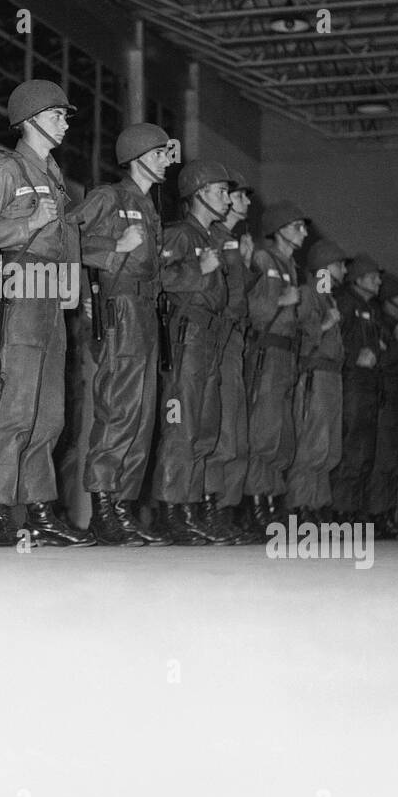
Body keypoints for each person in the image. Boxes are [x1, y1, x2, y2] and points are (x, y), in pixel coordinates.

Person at [0, 79, 93, 548]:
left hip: (50, 295)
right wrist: (27, 224)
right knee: (9, 403)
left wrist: (72, 285)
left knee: (49, 411)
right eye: (57, 114)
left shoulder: (54, 175)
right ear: (31, 119)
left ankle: (37, 504)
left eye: (66, 115)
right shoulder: (7, 170)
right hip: (17, 289)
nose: (64, 122)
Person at [73, 122, 174, 547]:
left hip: (146, 315)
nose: (165, 159)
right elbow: (66, 239)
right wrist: (116, 249)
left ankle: (123, 508)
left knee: (144, 414)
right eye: (157, 153)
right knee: (119, 409)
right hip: (120, 312)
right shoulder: (109, 198)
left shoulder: (150, 208)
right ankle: (102, 508)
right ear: (135, 158)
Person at [150, 158, 239, 545]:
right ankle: (172, 511)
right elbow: (160, 279)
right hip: (186, 338)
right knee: (180, 428)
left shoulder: (210, 236)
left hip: (209, 340)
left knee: (204, 428)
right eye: (221, 191)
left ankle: (191, 507)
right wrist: (200, 271)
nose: (227, 198)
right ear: (200, 194)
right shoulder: (181, 235)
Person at [202, 168, 262, 543]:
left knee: (237, 431)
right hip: (218, 338)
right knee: (220, 426)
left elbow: (240, 295)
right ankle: (211, 508)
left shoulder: (232, 241)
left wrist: (248, 266)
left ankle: (227, 508)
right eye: (237, 195)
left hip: (236, 340)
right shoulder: (211, 237)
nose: (243, 201)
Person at [243, 199, 307, 528]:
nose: (304, 232)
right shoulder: (263, 259)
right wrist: (282, 301)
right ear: (280, 230)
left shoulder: (290, 265)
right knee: (264, 430)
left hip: (286, 354)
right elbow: (252, 307)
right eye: (298, 226)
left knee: (282, 434)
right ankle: (257, 506)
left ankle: (270, 501)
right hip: (266, 351)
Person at [286, 239, 346, 523]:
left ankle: (319, 504)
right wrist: (325, 325)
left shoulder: (328, 297)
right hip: (315, 375)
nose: (344, 270)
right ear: (324, 266)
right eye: (339, 264)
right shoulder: (310, 293)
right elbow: (300, 336)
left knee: (329, 447)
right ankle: (300, 505)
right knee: (311, 443)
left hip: (332, 375)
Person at [330, 254, 385, 521]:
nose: (379, 281)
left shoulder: (371, 308)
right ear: (359, 279)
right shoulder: (345, 302)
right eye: (373, 275)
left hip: (367, 383)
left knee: (364, 448)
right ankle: (340, 510)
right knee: (350, 443)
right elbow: (332, 338)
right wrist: (355, 356)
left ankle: (353, 508)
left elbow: (376, 343)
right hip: (350, 380)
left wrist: (373, 350)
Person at [368, 272, 398, 538]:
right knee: (382, 459)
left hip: (396, 400)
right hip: (384, 399)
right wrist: (395, 341)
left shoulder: (394, 327)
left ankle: (385, 514)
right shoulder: (382, 326)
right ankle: (377, 516)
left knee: (393, 460)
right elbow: (380, 360)